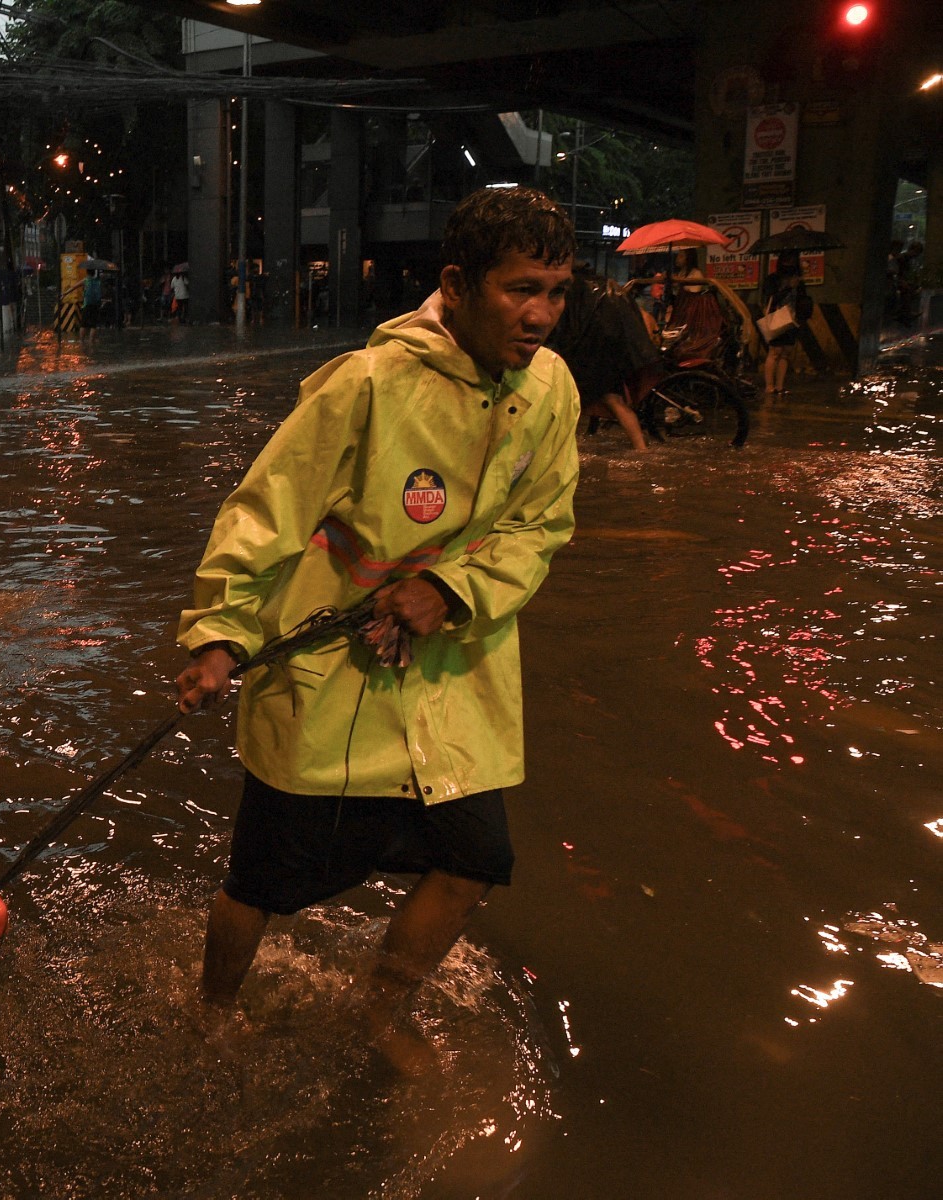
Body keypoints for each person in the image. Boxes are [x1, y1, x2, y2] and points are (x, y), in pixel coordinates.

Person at [174, 185, 579, 1070]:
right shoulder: (364, 384)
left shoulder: (549, 390)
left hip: (453, 677)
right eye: (520, 290)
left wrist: (453, 587)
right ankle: (212, 1008)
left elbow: (542, 522)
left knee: (474, 861)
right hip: (333, 670)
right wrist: (219, 633)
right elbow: (263, 511)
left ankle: (379, 1011)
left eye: (556, 290)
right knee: (262, 881)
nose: (541, 315)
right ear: (458, 284)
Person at [548, 265, 652, 453]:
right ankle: (641, 448)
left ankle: (561, 448)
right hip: (612, 352)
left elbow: (566, 325)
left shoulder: (574, 289)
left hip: (591, 355)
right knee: (613, 400)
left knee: (585, 399)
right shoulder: (606, 286)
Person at [760, 263, 810, 396]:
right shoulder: (774, 280)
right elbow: (772, 299)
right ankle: (769, 386)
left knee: (785, 353)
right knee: (774, 352)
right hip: (777, 318)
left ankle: (779, 386)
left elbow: (803, 300)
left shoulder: (799, 284)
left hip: (792, 320)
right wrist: (788, 287)